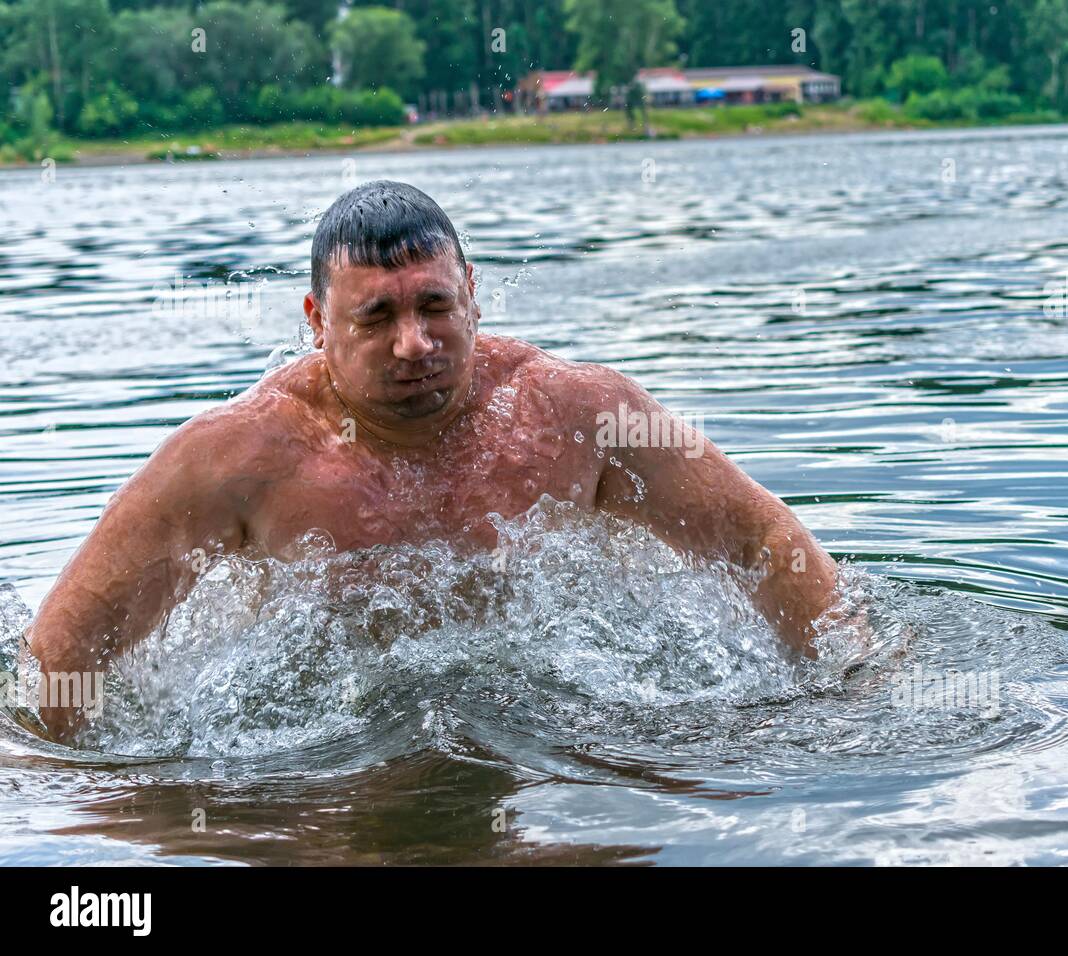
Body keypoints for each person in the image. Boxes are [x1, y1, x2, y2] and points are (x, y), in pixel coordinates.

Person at [25, 180, 840, 738]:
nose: (414, 344)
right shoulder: (236, 459)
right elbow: (63, 658)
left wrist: (849, 688)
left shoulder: (579, 413)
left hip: (545, 739)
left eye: (436, 306)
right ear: (317, 320)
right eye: (376, 317)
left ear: (473, 292)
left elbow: (761, 546)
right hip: (331, 757)